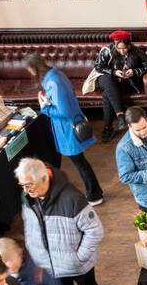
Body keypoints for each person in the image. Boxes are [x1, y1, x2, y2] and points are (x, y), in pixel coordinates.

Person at [16, 157, 107, 285]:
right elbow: (30, 228)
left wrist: (80, 256)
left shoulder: (72, 198)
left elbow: (95, 230)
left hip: (78, 263)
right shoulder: (28, 199)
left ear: (44, 179)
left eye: (29, 185)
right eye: (23, 185)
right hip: (51, 266)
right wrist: (37, 259)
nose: (26, 190)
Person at [24, 53, 103, 204]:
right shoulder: (57, 75)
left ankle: (95, 195)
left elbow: (63, 111)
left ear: (34, 69)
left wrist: (44, 107)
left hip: (68, 128)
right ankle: (95, 193)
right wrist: (49, 100)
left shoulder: (53, 82)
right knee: (80, 161)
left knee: (80, 162)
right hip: (72, 122)